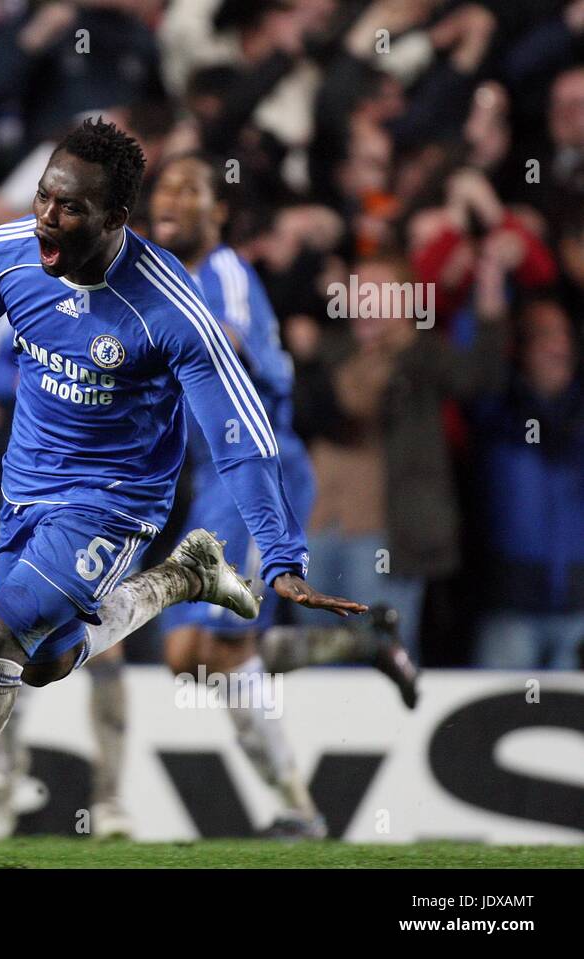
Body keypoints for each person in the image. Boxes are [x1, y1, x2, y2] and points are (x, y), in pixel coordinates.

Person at [0, 118, 364, 864]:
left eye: (70, 208)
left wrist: (280, 555)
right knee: (41, 662)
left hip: (114, 502)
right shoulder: (6, 253)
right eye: (45, 197)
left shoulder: (172, 308)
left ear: (116, 218)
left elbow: (243, 439)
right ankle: (183, 577)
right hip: (26, 489)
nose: (47, 215)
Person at [148, 153, 418, 838]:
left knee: (225, 650)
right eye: (165, 188)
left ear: (219, 213)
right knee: (187, 656)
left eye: (192, 187)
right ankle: (362, 644)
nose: (173, 197)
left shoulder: (226, 274)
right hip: (213, 480)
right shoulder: (172, 280)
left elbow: (241, 345)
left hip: (254, 471)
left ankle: (301, 812)